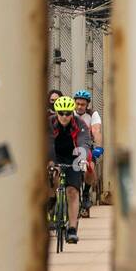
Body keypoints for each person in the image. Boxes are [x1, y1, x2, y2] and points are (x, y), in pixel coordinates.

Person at [49, 95, 86, 244]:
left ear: (72, 113)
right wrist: (51, 161)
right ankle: (51, 201)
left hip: (73, 158)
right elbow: (47, 143)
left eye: (68, 113)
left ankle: (71, 229)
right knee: (52, 178)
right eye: (61, 113)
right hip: (54, 155)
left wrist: (83, 159)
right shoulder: (49, 123)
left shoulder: (79, 123)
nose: (65, 116)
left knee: (72, 191)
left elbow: (84, 142)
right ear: (56, 113)